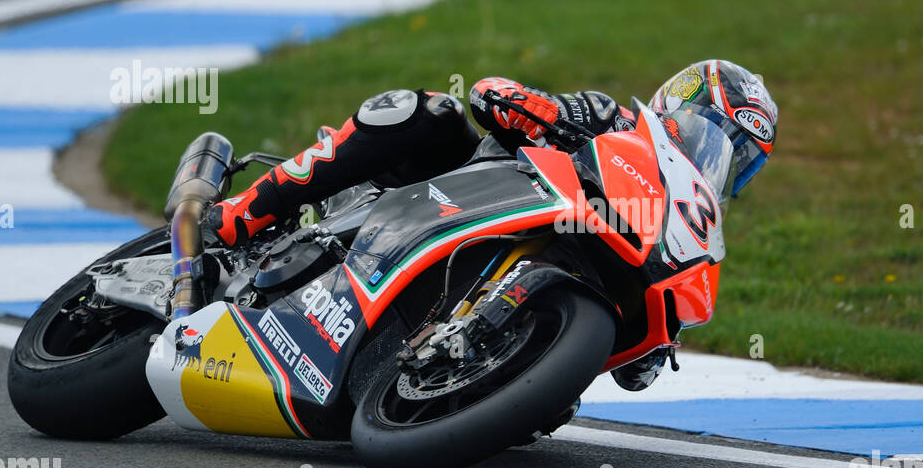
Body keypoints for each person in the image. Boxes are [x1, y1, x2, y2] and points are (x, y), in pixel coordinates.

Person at [204, 59, 778, 389]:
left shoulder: (681, 221)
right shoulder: (612, 120)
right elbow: (489, 95)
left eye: (739, 157)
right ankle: (231, 219)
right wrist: (548, 114)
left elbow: (635, 376)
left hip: (518, 263)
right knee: (421, 112)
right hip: (455, 197)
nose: (721, 155)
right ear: (678, 104)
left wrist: (650, 337)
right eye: (714, 131)